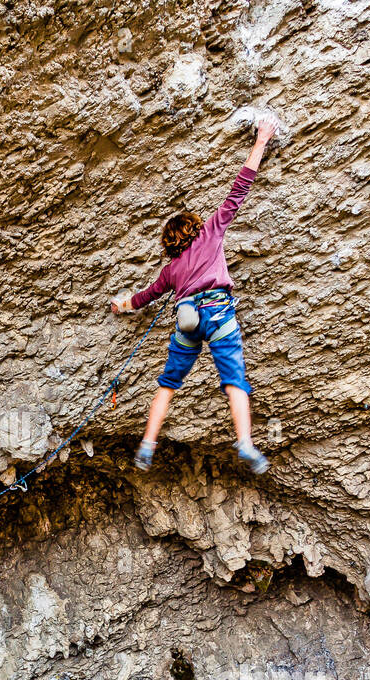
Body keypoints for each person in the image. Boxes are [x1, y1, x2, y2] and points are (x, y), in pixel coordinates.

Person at [112, 117, 277, 474]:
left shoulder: (171, 270)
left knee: (168, 384)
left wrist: (121, 304)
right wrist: (261, 140)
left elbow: (147, 296)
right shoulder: (211, 234)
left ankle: (147, 443)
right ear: (195, 228)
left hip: (187, 321)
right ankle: (245, 442)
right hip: (218, 314)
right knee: (235, 381)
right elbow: (239, 189)